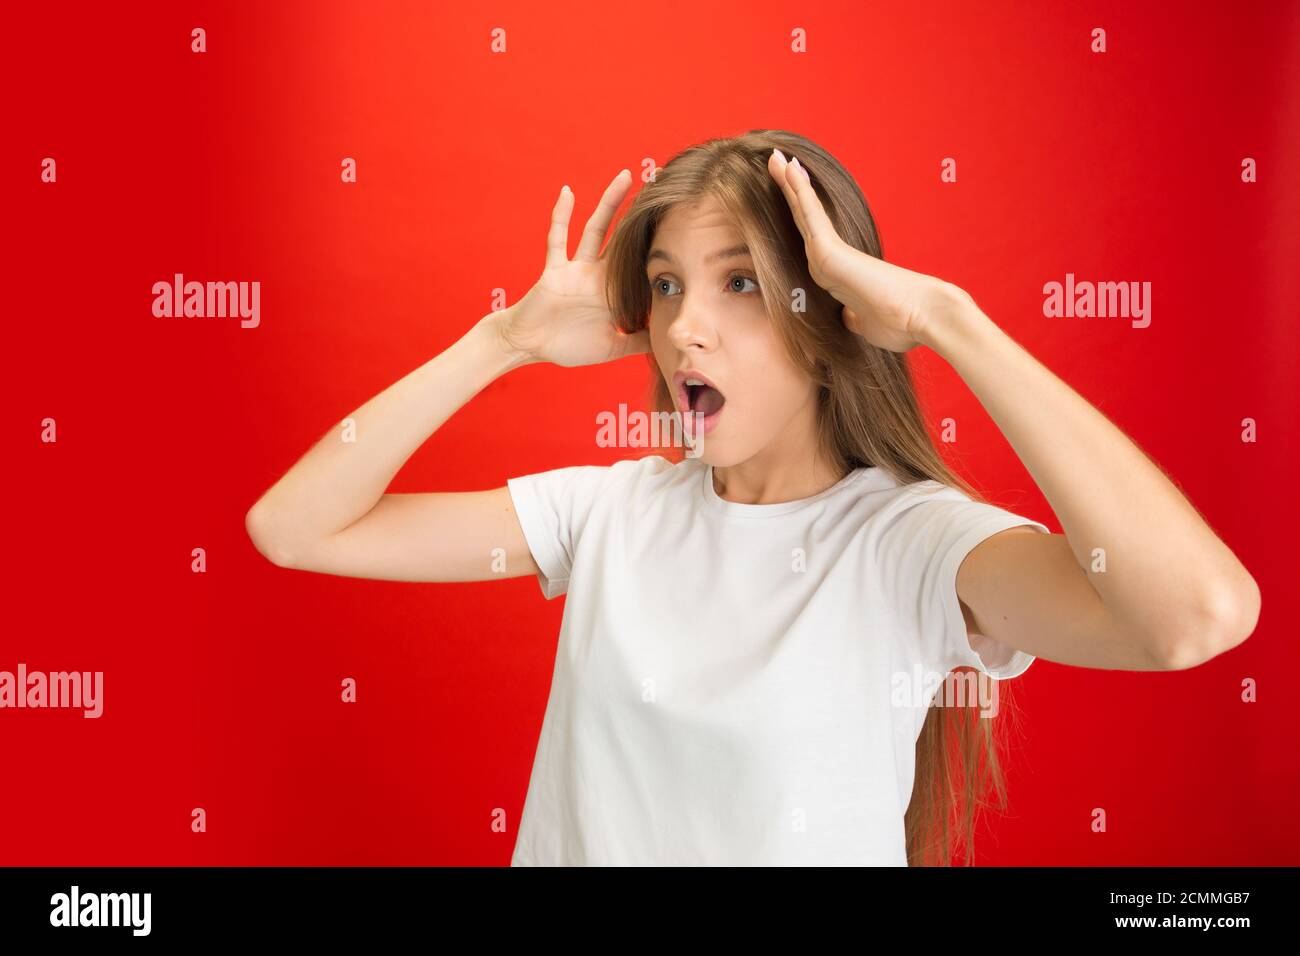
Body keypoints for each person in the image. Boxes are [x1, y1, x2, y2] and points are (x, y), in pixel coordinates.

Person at [245, 129, 1260, 866]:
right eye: (667, 283)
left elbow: (1193, 615)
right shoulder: (607, 513)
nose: (686, 326)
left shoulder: (910, 545)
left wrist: (954, 321)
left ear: (834, 312)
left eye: (739, 282)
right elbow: (293, 526)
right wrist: (501, 339)